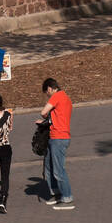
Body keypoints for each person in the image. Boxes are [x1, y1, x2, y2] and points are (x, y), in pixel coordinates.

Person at [37, 77, 74, 210]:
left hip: (58, 137)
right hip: (57, 136)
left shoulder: (57, 96)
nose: (47, 96)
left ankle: (67, 197)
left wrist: (44, 118)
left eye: (47, 93)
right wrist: (47, 121)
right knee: (49, 166)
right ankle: (56, 193)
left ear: (50, 89)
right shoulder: (66, 98)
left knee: (58, 169)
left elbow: (43, 112)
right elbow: (58, 117)